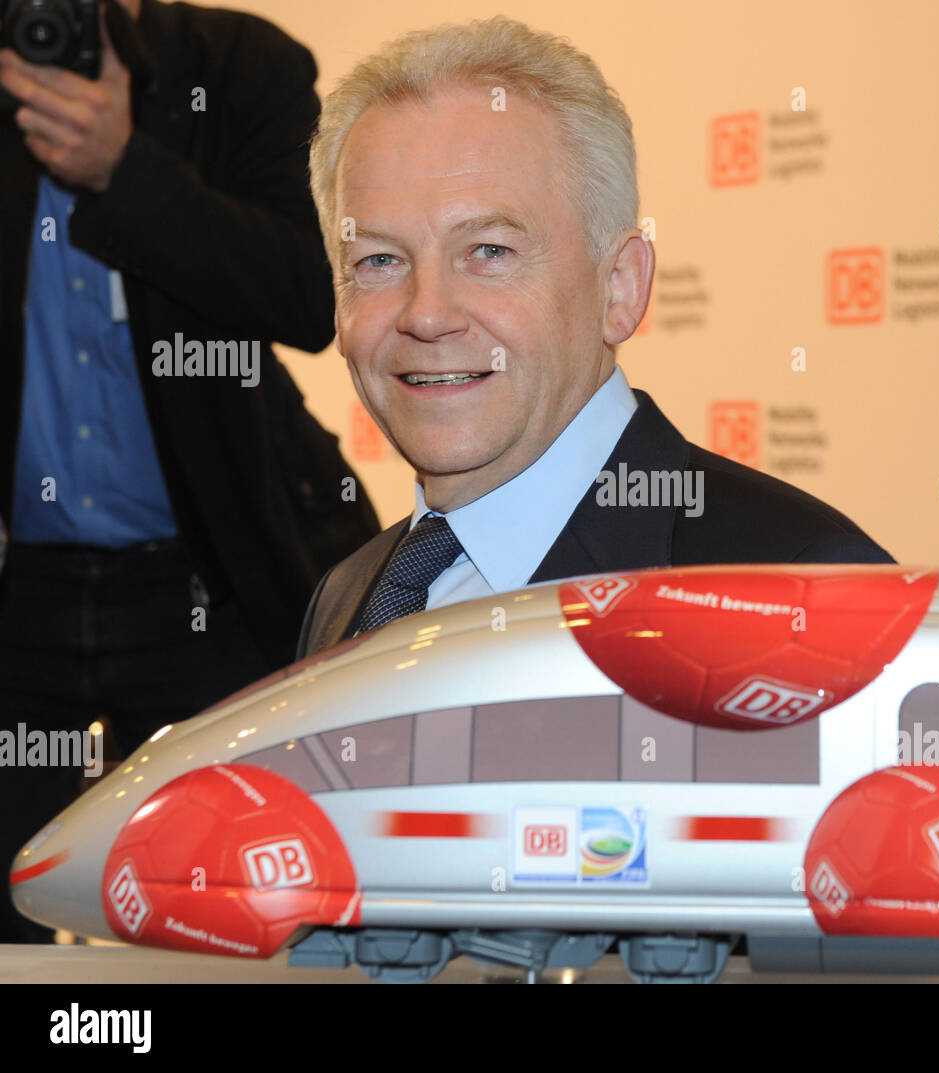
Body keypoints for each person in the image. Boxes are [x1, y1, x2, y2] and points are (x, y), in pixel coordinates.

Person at [297, 15, 892, 659]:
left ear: (620, 288)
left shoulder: (795, 590)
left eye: (490, 251)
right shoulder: (346, 594)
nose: (428, 314)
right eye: (379, 261)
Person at [0, 0, 380, 942]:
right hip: (19, 593)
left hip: (209, 580)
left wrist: (124, 171)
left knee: (215, 911)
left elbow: (310, 294)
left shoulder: (243, 66)